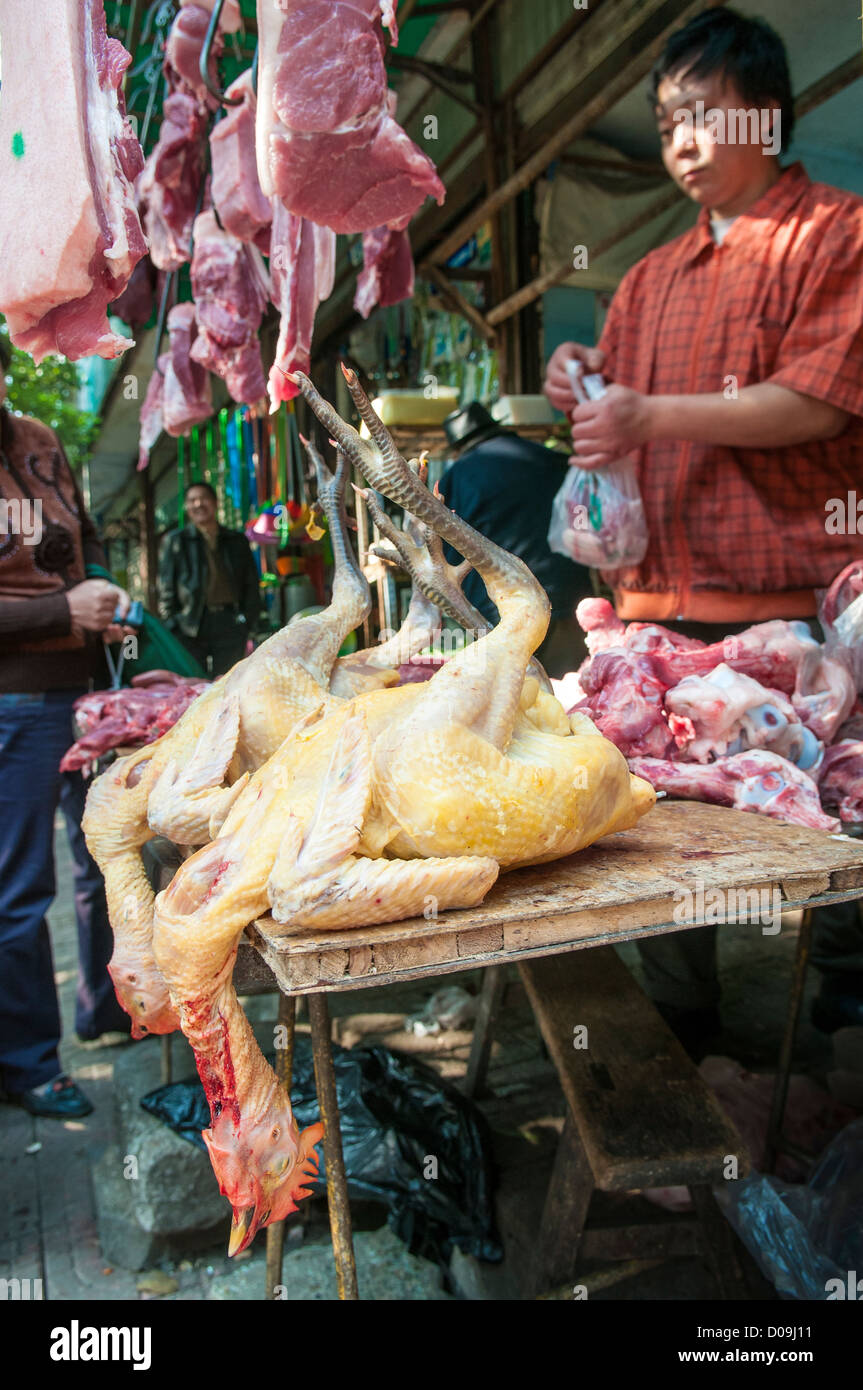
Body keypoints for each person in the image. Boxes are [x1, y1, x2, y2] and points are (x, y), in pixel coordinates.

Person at [543, 9, 863, 1049]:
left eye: (701, 113)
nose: (679, 140)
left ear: (764, 115)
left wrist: (648, 412)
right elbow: (615, 398)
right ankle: (689, 1047)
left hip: (786, 628)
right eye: (666, 118)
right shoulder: (644, 276)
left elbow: (814, 402)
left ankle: (833, 1044)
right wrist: (581, 383)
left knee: (827, 848)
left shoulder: (834, 233)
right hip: (651, 623)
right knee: (662, 852)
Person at [0, 334, 133, 1118]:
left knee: (106, 862)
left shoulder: (41, 443)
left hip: (84, 693)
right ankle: (27, 1063)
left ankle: (110, 1008)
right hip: (13, 705)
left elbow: (83, 539)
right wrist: (59, 611)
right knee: (21, 890)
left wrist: (104, 597)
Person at [438, 402, 593, 677]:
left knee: (521, 705)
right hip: (569, 596)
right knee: (576, 697)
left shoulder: (456, 478)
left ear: (458, 446)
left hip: (505, 610)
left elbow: (449, 556)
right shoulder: (550, 458)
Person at [158, 481, 261, 677]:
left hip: (229, 621)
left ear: (214, 503)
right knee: (194, 682)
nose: (198, 504)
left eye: (203, 498)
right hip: (190, 624)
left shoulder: (236, 540)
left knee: (228, 682)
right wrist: (172, 624)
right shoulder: (175, 541)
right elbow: (166, 587)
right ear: (187, 507)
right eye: (192, 500)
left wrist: (248, 620)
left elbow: (251, 584)